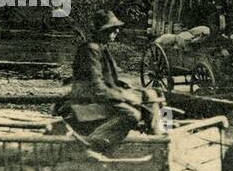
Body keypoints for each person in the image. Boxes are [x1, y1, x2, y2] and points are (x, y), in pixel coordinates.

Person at [56, 10, 164, 150]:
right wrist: (123, 97)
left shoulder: (102, 48)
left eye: (116, 28)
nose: (116, 31)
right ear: (101, 31)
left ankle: (160, 137)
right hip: (87, 101)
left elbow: (111, 81)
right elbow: (96, 87)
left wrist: (128, 91)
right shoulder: (90, 50)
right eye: (111, 29)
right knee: (132, 115)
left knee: (153, 95)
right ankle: (91, 143)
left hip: (102, 97)